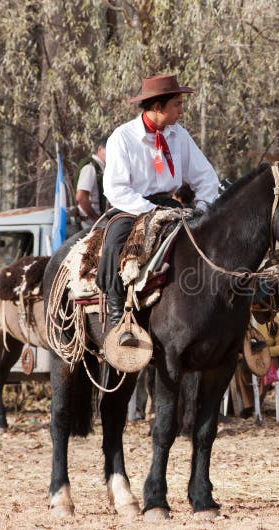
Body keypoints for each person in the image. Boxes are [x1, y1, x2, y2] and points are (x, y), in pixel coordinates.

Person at [99, 74, 219, 346]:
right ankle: (120, 320)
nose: (182, 109)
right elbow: (116, 189)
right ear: (157, 107)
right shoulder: (123, 137)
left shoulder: (179, 135)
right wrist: (150, 210)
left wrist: (201, 208)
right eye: (177, 104)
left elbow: (207, 178)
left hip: (172, 205)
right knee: (114, 245)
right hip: (131, 208)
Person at [233, 312, 279, 419]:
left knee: (267, 369)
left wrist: (265, 352)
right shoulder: (245, 319)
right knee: (239, 368)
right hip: (250, 356)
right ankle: (248, 407)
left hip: (270, 357)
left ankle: (257, 405)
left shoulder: (273, 320)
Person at [76, 138, 107, 227]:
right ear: (100, 149)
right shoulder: (91, 167)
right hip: (89, 223)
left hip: (97, 221)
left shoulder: (101, 167)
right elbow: (81, 197)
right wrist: (96, 219)